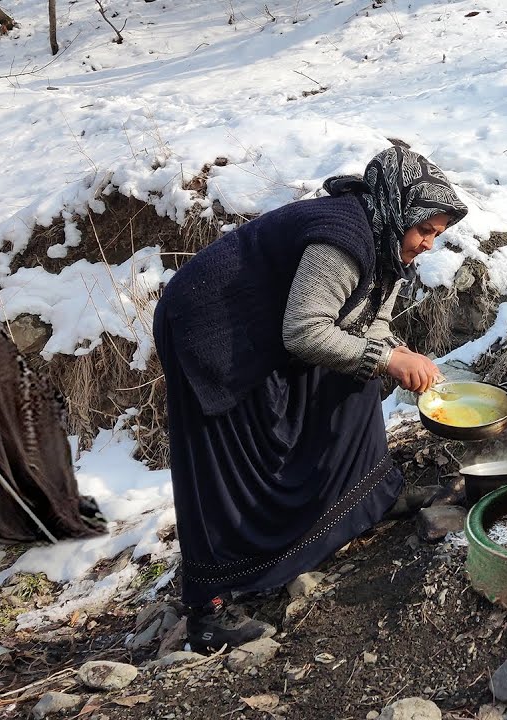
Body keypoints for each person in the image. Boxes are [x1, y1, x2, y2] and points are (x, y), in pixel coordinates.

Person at [153, 146, 468, 650]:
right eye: (424, 230)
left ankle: (370, 498)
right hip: (210, 330)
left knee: (358, 375)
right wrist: (387, 359)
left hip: (268, 328)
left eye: (436, 234)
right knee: (225, 465)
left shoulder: (388, 242)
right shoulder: (342, 241)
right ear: (399, 211)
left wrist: (393, 352)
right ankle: (208, 610)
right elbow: (304, 332)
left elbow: (371, 323)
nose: (428, 243)